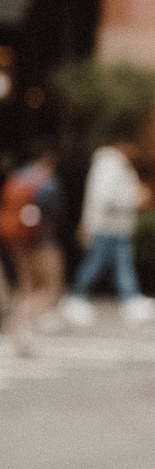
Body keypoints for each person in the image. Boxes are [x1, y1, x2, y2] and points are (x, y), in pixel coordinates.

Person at [62, 139, 155, 325]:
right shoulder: (110, 165)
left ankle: (129, 299)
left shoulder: (114, 164)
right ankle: (76, 297)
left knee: (119, 264)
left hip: (115, 226)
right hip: (107, 226)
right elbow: (106, 198)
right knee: (97, 263)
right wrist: (134, 198)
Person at [0, 147, 65, 353]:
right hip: (41, 240)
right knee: (50, 287)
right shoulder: (47, 181)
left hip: (14, 237)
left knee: (26, 285)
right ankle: (22, 324)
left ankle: (19, 324)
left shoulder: (16, 177)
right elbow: (53, 212)